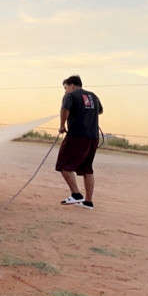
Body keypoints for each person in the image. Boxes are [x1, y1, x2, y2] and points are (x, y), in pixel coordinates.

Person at [56, 75, 103, 209]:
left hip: (76, 136)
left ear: (72, 85)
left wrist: (62, 125)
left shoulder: (70, 96)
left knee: (63, 165)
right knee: (87, 168)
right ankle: (88, 202)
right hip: (93, 137)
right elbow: (100, 111)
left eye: (65, 88)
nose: (65, 91)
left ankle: (76, 194)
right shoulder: (93, 96)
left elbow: (64, 109)